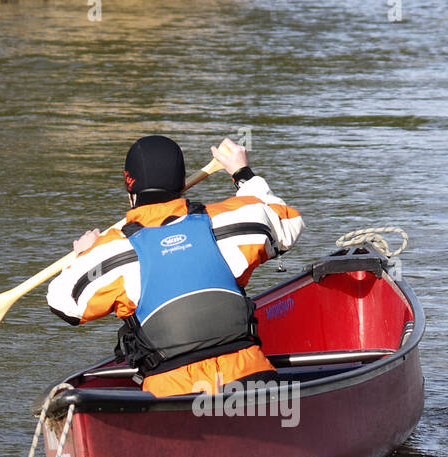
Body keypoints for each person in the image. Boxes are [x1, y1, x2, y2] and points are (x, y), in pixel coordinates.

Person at [46, 135, 304, 397]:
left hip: (169, 396)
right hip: (253, 381)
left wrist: (83, 255)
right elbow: (288, 222)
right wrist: (242, 173)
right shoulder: (231, 220)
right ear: (183, 184)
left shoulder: (107, 252)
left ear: (130, 193)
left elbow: (64, 305)